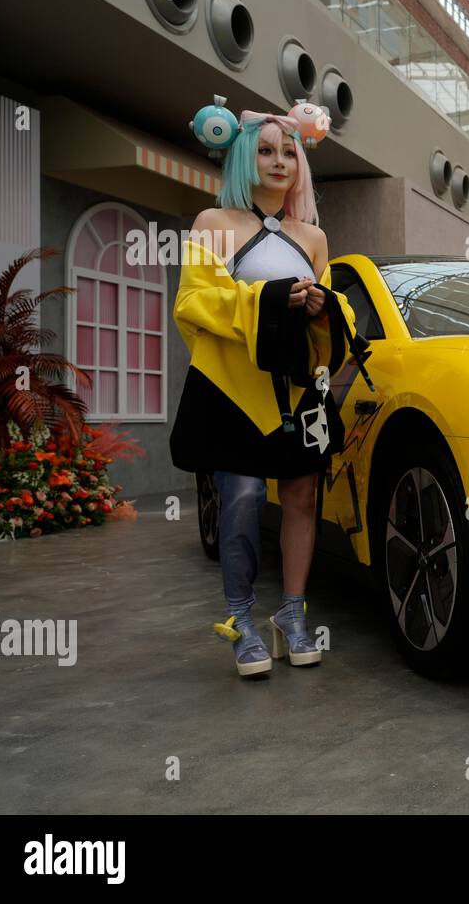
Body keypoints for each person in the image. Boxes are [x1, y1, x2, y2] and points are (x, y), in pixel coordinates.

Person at [171, 109, 366, 677]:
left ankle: (292, 616)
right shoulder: (213, 221)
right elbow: (193, 302)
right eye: (266, 151)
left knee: (303, 500)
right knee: (244, 498)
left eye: (289, 153)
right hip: (231, 391)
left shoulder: (314, 236)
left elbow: (335, 313)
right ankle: (241, 619)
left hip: (300, 392)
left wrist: (322, 305)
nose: (279, 162)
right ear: (242, 157)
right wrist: (271, 297)